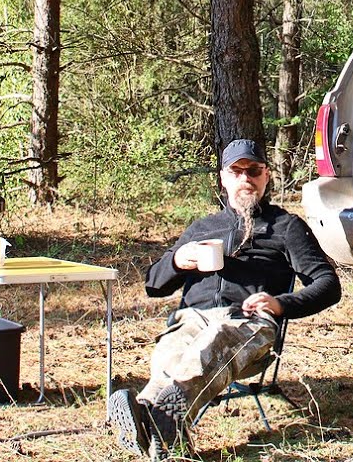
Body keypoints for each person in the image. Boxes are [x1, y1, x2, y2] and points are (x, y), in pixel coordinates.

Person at [108, 139, 341, 460]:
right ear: (223, 178)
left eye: (254, 171)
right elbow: (153, 285)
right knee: (172, 351)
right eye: (236, 171)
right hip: (192, 319)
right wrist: (176, 261)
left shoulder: (286, 227)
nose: (246, 178)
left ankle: (156, 416)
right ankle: (154, 420)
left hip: (249, 323)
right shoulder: (202, 228)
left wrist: (281, 304)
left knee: (217, 337)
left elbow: (328, 285)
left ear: (266, 176)